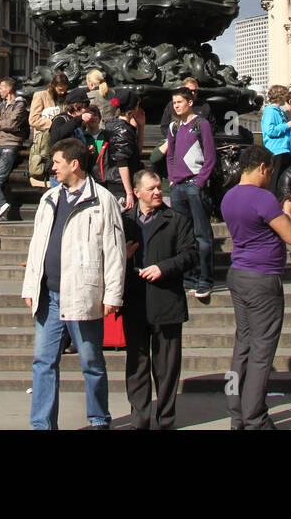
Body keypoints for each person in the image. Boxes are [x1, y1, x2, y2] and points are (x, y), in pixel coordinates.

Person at [21, 137, 125, 430]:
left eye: (56, 162)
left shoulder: (102, 200)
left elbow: (115, 251)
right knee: (43, 363)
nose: (52, 168)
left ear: (74, 164)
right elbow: (36, 246)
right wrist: (30, 286)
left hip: (82, 293)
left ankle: (99, 419)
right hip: (49, 295)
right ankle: (42, 424)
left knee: (91, 363)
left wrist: (113, 295)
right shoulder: (49, 198)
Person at [222, 145, 291, 430]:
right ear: (263, 168)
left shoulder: (228, 196)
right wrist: (289, 212)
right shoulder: (263, 198)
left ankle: (236, 412)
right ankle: (255, 417)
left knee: (242, 343)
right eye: (270, 172)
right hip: (262, 276)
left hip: (239, 273)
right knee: (261, 351)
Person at [121, 168, 197, 429]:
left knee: (166, 367)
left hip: (166, 301)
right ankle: (139, 418)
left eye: (159, 187)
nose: (157, 192)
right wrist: (124, 256)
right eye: (151, 188)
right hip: (134, 300)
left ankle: (166, 418)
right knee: (137, 364)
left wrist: (164, 268)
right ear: (137, 192)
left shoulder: (176, 218)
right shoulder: (124, 220)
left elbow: (190, 254)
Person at [154, 87, 217, 301]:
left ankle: (205, 279)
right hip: (178, 187)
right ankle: (188, 277)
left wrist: (200, 181)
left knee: (202, 234)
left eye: (180, 101)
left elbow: (210, 156)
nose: (176, 105)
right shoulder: (173, 127)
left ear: (190, 102)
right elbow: (170, 155)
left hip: (194, 185)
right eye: (174, 102)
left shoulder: (202, 124)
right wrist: (171, 178)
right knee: (184, 234)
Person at [0, 78, 29, 210]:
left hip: (12, 143)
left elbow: (12, 124)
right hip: (0, 143)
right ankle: (0, 204)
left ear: (8, 89)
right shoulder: (2, 105)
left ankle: (0, 205)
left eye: (0, 88)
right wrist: (0, 122)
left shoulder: (19, 104)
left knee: (0, 176)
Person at [27, 73, 70, 189]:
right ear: (53, 86)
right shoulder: (41, 95)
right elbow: (33, 119)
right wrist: (54, 125)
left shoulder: (66, 98)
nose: (62, 92)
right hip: (45, 141)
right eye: (60, 89)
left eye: (64, 90)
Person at [101, 89, 142, 209]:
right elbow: (122, 162)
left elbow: (136, 152)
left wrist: (141, 126)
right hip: (121, 184)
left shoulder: (114, 125)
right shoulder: (122, 131)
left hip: (118, 181)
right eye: (137, 105)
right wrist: (129, 192)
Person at [260, 85, 291, 155]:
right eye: (285, 95)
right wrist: (286, 126)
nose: (286, 98)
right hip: (276, 150)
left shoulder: (278, 111)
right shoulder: (270, 111)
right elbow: (270, 131)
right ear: (280, 97)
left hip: (284, 148)